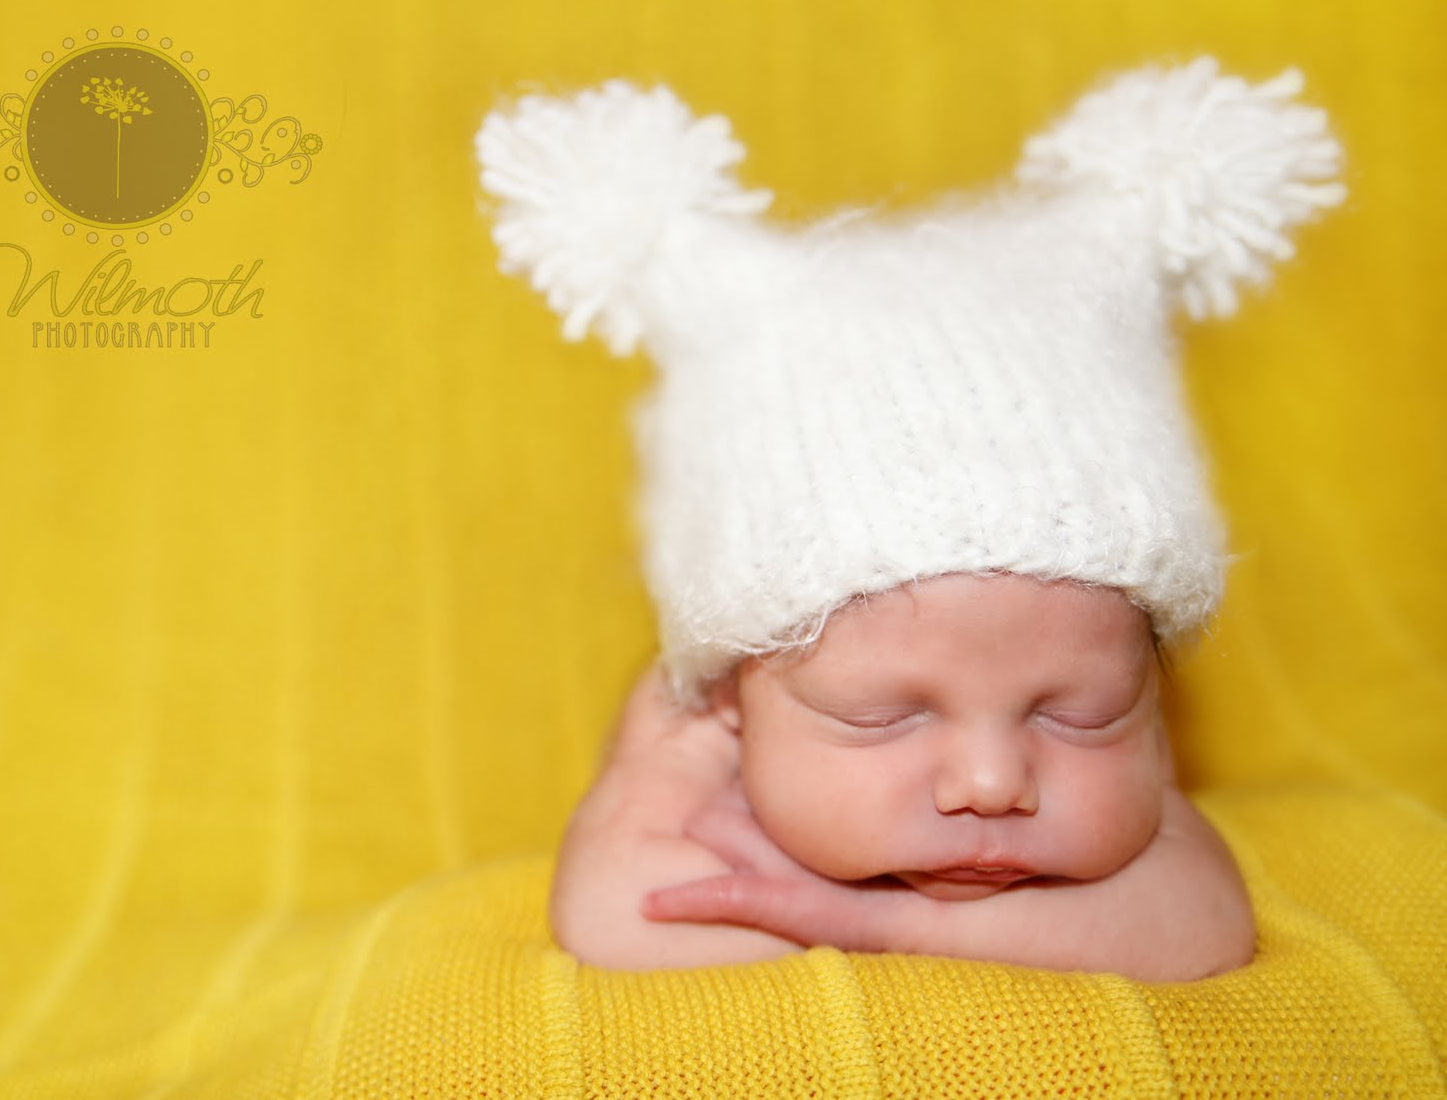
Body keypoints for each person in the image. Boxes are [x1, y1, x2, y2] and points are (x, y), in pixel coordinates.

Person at [475, 58, 1344, 978]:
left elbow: (1202, 926)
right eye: (884, 717)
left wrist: (862, 917)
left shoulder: (1107, 732)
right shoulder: (693, 728)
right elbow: (620, 920)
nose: (992, 783)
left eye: (1080, 717)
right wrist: (661, 781)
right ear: (730, 697)